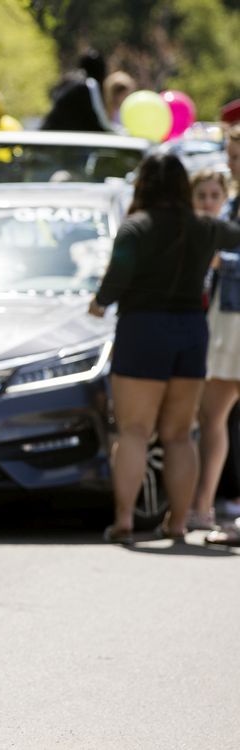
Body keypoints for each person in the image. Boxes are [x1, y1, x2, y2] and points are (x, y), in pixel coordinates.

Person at [88, 153, 240, 544]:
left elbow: (116, 279)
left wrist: (99, 302)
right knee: (179, 435)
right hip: (191, 332)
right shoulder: (204, 227)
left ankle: (124, 521)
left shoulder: (136, 228)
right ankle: (177, 524)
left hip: (142, 330)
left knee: (135, 432)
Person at [189, 169, 236, 531]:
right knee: (209, 418)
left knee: (212, 417)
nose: (208, 202)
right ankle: (202, 506)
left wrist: (223, 261)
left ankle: (204, 506)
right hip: (215, 324)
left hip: (231, 324)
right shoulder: (218, 218)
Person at [42, 49, 113, 132]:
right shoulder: (90, 84)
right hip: (65, 137)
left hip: (52, 134)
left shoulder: (68, 81)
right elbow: (101, 120)